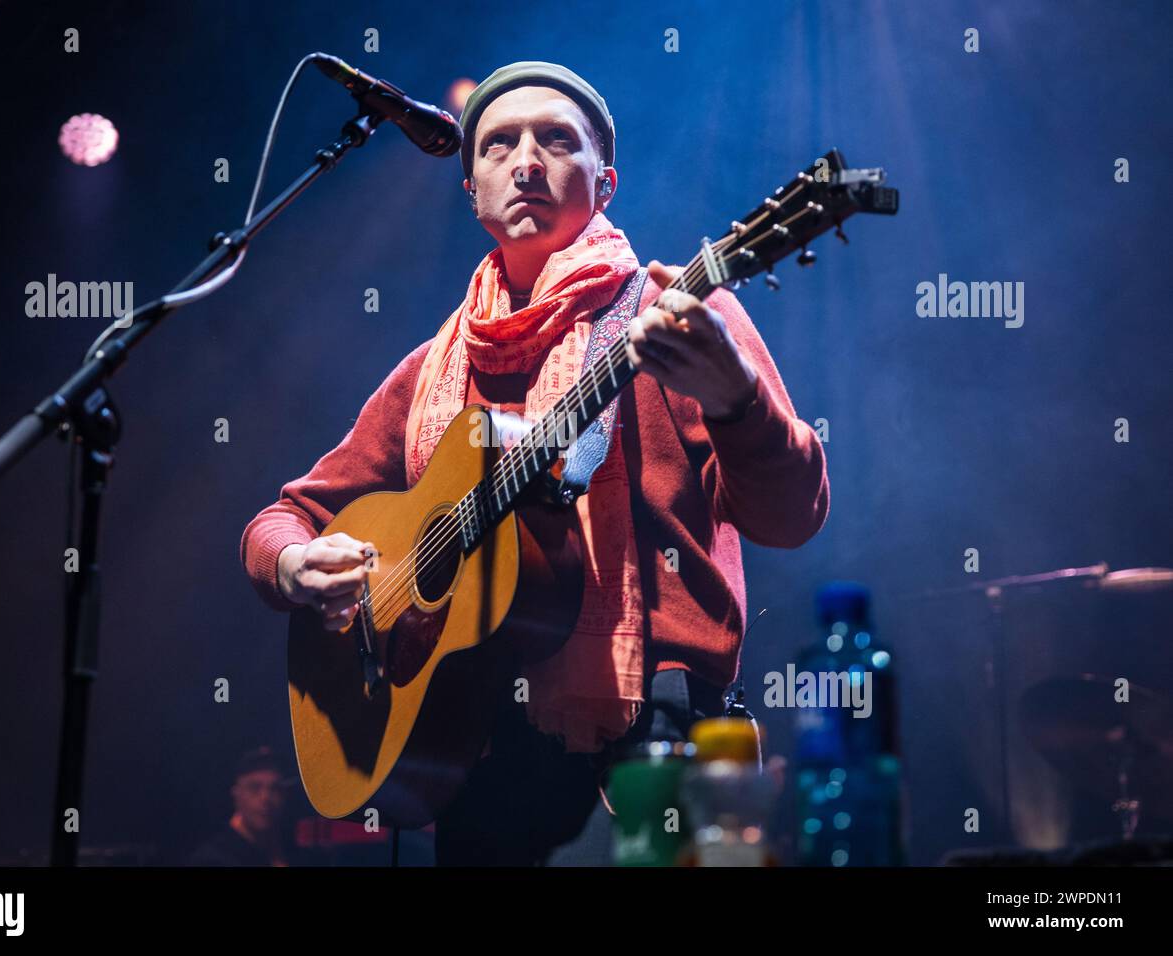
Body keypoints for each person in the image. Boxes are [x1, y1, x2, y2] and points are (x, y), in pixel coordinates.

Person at [240, 61, 829, 865]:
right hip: (473, 750)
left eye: (557, 141)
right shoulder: (430, 369)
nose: (525, 161)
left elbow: (792, 517)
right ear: (471, 191)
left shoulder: (678, 316)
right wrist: (297, 564)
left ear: (605, 181)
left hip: (651, 742)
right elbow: (283, 519)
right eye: (498, 145)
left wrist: (736, 398)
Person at [189, 746, 296, 866]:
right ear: (236, 794)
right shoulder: (212, 860)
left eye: (275, 788)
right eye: (254, 788)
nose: (265, 798)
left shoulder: (291, 852)